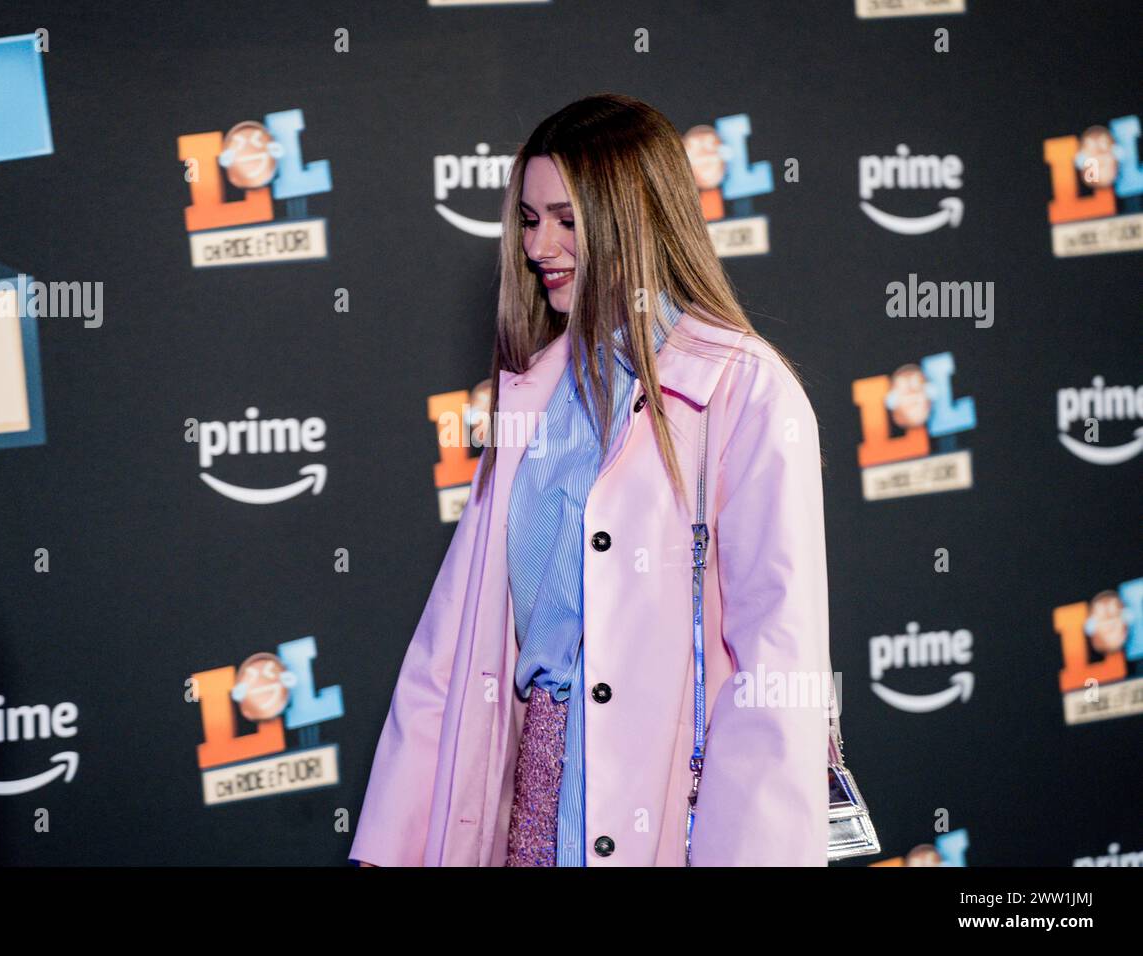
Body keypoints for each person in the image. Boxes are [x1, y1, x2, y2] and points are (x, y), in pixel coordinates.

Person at [352, 93, 832, 867]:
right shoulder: (534, 392)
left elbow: (776, 671)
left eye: (569, 220)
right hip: (529, 802)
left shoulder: (742, 390)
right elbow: (451, 649)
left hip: (660, 804)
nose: (541, 244)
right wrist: (389, 846)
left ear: (635, 220)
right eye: (530, 219)